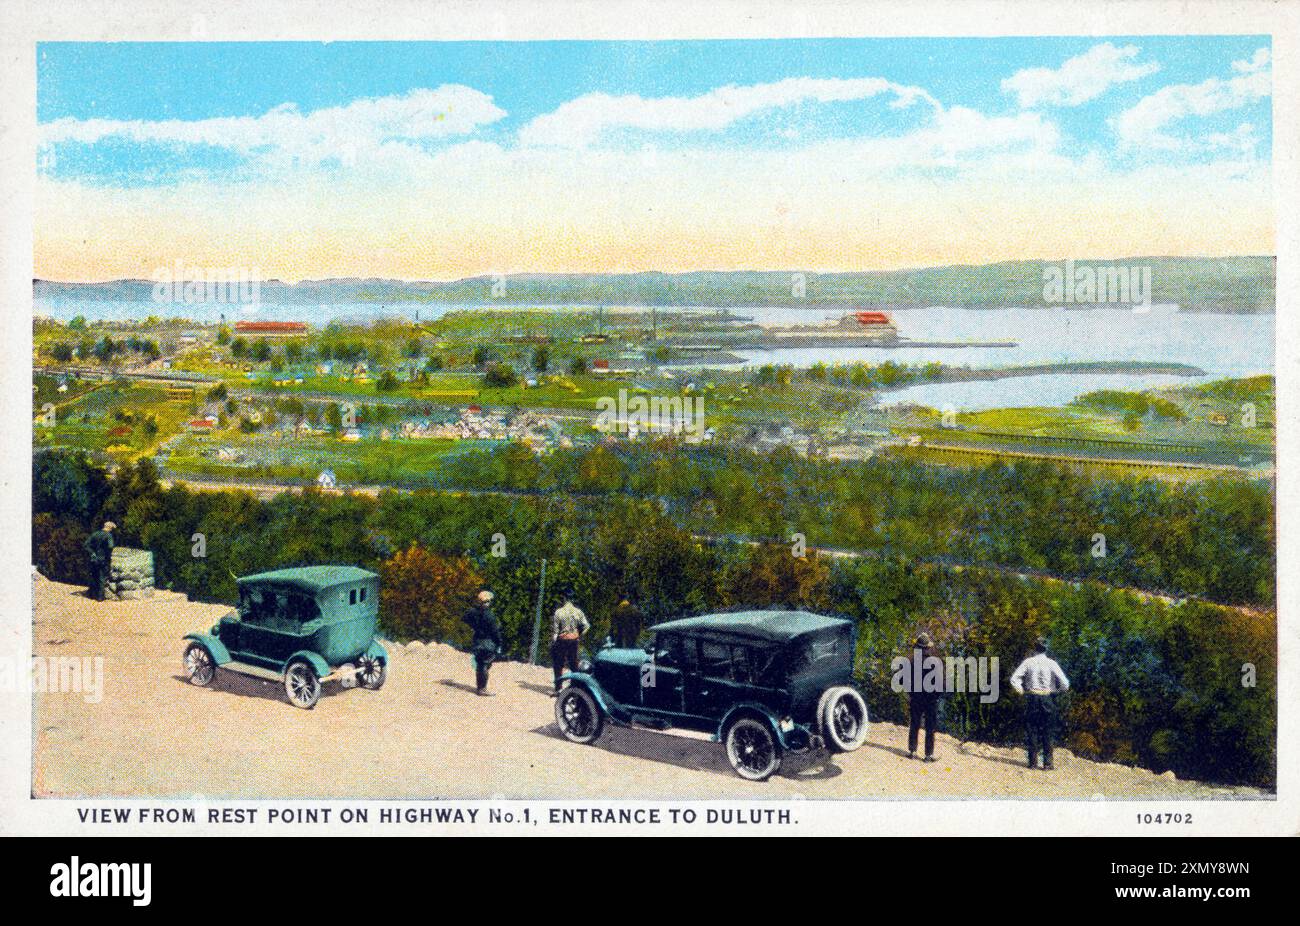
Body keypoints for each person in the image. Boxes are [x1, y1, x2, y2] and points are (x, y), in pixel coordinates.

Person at [1009, 637, 1070, 770]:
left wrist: (1021, 690)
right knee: (1048, 730)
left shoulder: (1028, 662)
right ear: (1045, 648)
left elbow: (1014, 679)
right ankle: (1048, 764)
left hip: (1032, 698)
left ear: (1034, 647)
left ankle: (1032, 763)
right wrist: (1056, 691)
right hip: (1047, 698)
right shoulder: (1052, 663)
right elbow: (1065, 684)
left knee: (1032, 730)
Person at [462, 589, 503, 696]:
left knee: (480, 664)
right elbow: (495, 632)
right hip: (488, 641)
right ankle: (482, 689)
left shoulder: (472, 612)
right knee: (485, 664)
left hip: (477, 640)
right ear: (487, 602)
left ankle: (480, 687)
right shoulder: (490, 616)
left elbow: (464, 618)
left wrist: (474, 627)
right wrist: (499, 643)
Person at [908, 632, 940, 762]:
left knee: (914, 723)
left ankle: (912, 751)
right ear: (927, 647)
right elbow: (941, 684)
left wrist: (911, 694)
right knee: (930, 727)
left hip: (916, 698)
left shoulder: (910, 662)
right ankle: (928, 755)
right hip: (930, 699)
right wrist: (936, 696)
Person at [550, 589, 590, 693]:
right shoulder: (578, 612)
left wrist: (554, 642)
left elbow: (555, 631)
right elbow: (586, 626)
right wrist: (579, 635)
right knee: (574, 664)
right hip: (574, 640)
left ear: (564, 598)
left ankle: (558, 688)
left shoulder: (558, 612)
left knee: (558, 664)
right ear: (572, 599)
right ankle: (575, 688)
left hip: (562, 640)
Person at [83, 521, 116, 601]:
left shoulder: (95, 534)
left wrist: (92, 553)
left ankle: (91, 595)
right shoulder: (109, 536)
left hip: (93, 559)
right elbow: (110, 547)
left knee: (94, 576)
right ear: (110, 528)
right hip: (103, 559)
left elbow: (86, 545)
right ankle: (100, 597)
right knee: (101, 578)